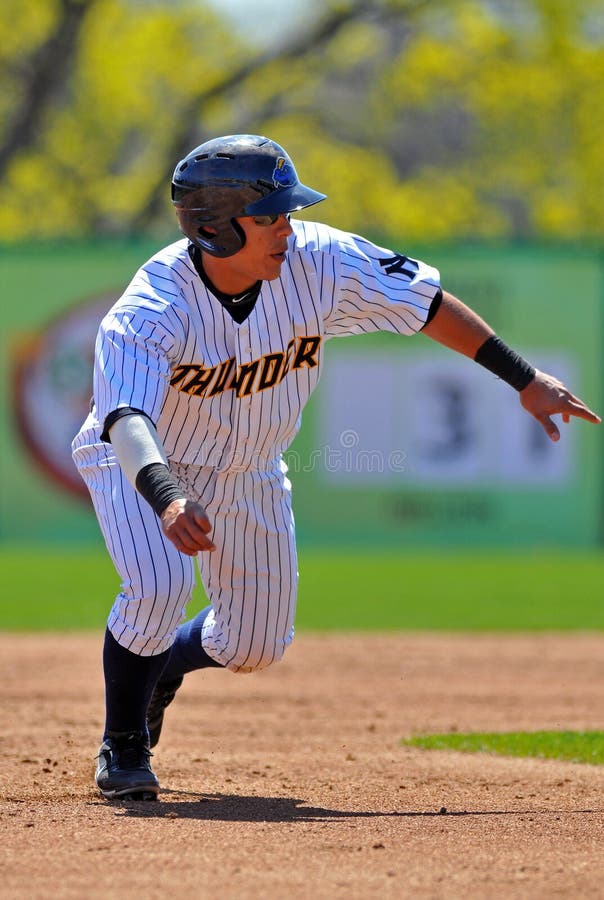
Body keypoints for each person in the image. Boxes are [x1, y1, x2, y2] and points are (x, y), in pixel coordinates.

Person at [72, 134, 600, 801]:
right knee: (157, 583)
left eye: (288, 213)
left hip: (250, 469)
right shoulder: (153, 306)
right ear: (213, 229)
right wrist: (169, 497)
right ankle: (124, 745)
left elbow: (424, 304)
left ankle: (165, 663)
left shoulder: (320, 260)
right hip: (143, 464)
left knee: (255, 645)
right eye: (270, 217)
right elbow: (126, 419)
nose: (287, 229)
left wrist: (524, 379)